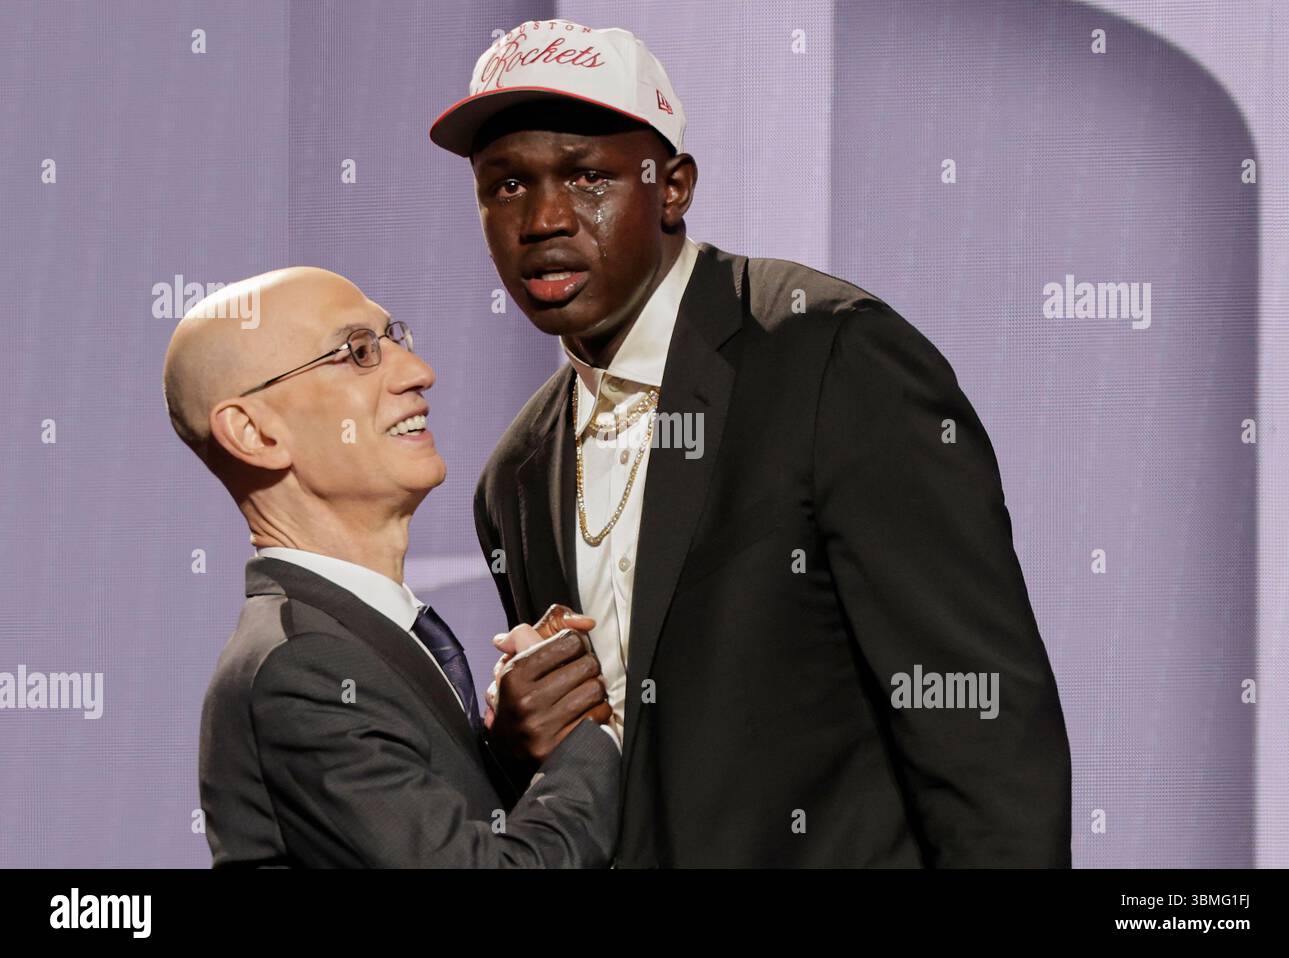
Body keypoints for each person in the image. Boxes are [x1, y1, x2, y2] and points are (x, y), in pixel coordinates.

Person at [430, 20, 1072, 867]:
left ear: (673, 188)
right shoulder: (516, 471)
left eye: (588, 177)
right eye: (506, 185)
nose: (545, 218)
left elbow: (982, 724)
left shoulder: (831, 359)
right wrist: (517, 747)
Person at [163, 266, 619, 867]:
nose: (418, 372)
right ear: (254, 433)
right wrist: (597, 739)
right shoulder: (300, 669)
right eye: (357, 352)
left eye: (393, 338)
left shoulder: (349, 639)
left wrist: (509, 749)